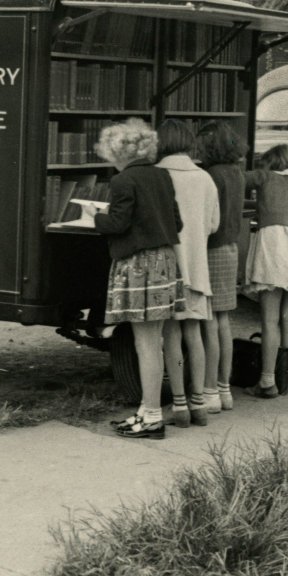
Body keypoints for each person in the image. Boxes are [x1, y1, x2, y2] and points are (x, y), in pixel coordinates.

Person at [89, 118, 185, 439]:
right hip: (164, 262)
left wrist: (96, 218)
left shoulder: (123, 180)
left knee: (145, 345)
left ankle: (153, 417)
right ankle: (146, 410)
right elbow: (176, 222)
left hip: (139, 265)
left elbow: (117, 224)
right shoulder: (162, 176)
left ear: (118, 151)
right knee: (151, 343)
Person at [155, 120, 220, 427]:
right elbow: (213, 225)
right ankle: (199, 403)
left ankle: (178, 404)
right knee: (194, 334)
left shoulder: (157, 176)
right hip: (197, 267)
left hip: (168, 268)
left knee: (171, 335)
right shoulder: (205, 178)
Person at [242, 143, 288, 398]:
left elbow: (239, 179)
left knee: (269, 320)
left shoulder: (265, 177)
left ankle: (267, 381)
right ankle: (284, 376)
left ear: (272, 162)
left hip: (272, 244)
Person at [197, 120, 247, 412]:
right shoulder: (236, 173)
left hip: (212, 248)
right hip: (230, 248)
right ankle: (224, 389)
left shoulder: (212, 175)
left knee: (209, 324)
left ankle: (210, 391)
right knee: (224, 322)